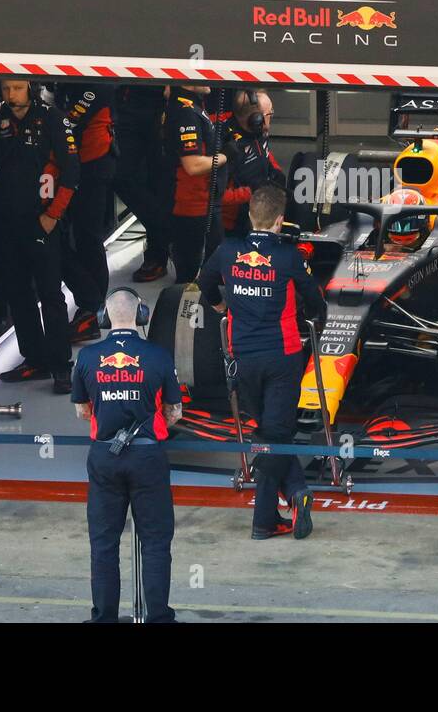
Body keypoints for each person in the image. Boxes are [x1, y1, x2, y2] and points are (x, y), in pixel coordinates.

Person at [198, 185, 326, 540]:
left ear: (251, 215)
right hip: (282, 358)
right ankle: (284, 504)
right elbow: (315, 301)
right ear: (280, 221)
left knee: (269, 434)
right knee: (278, 436)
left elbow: (203, 282)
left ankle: (270, 516)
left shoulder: (227, 251)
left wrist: (222, 308)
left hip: (243, 359)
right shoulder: (288, 256)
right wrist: (315, 321)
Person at [0, 79, 80, 394]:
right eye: (7, 89)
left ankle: (61, 366)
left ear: (31, 89)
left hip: (42, 221)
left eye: (18, 88)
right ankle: (35, 358)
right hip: (7, 221)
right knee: (18, 293)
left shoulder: (54, 119)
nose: (11, 95)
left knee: (51, 295)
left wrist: (53, 216)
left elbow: (72, 172)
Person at [72, 288, 181, 623]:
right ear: (141, 315)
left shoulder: (87, 358)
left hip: (105, 457)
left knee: (103, 544)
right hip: (148, 458)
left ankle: (103, 617)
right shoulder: (159, 356)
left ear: (104, 317)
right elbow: (174, 412)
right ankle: (159, 617)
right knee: (156, 542)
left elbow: (82, 412)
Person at [57, 85, 117, 343]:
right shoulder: (66, 79)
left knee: (87, 237)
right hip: (78, 166)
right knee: (80, 237)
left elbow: (68, 122)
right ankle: (91, 306)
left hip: (92, 167)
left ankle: (92, 310)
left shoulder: (94, 83)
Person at [165, 85, 229, 284]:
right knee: (191, 280)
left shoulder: (193, 106)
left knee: (210, 273)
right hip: (192, 208)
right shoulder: (186, 113)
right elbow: (192, 165)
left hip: (203, 202)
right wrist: (227, 156)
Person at [112, 84, 172, 284]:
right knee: (122, 177)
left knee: (160, 180)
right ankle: (163, 232)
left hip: (163, 103)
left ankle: (158, 253)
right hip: (128, 100)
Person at [221, 90, 285, 236]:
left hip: (257, 217)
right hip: (232, 227)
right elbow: (217, 196)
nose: (272, 117)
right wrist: (251, 192)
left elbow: (263, 152)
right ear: (257, 118)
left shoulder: (257, 132)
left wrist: (276, 171)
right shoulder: (227, 146)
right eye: (270, 114)